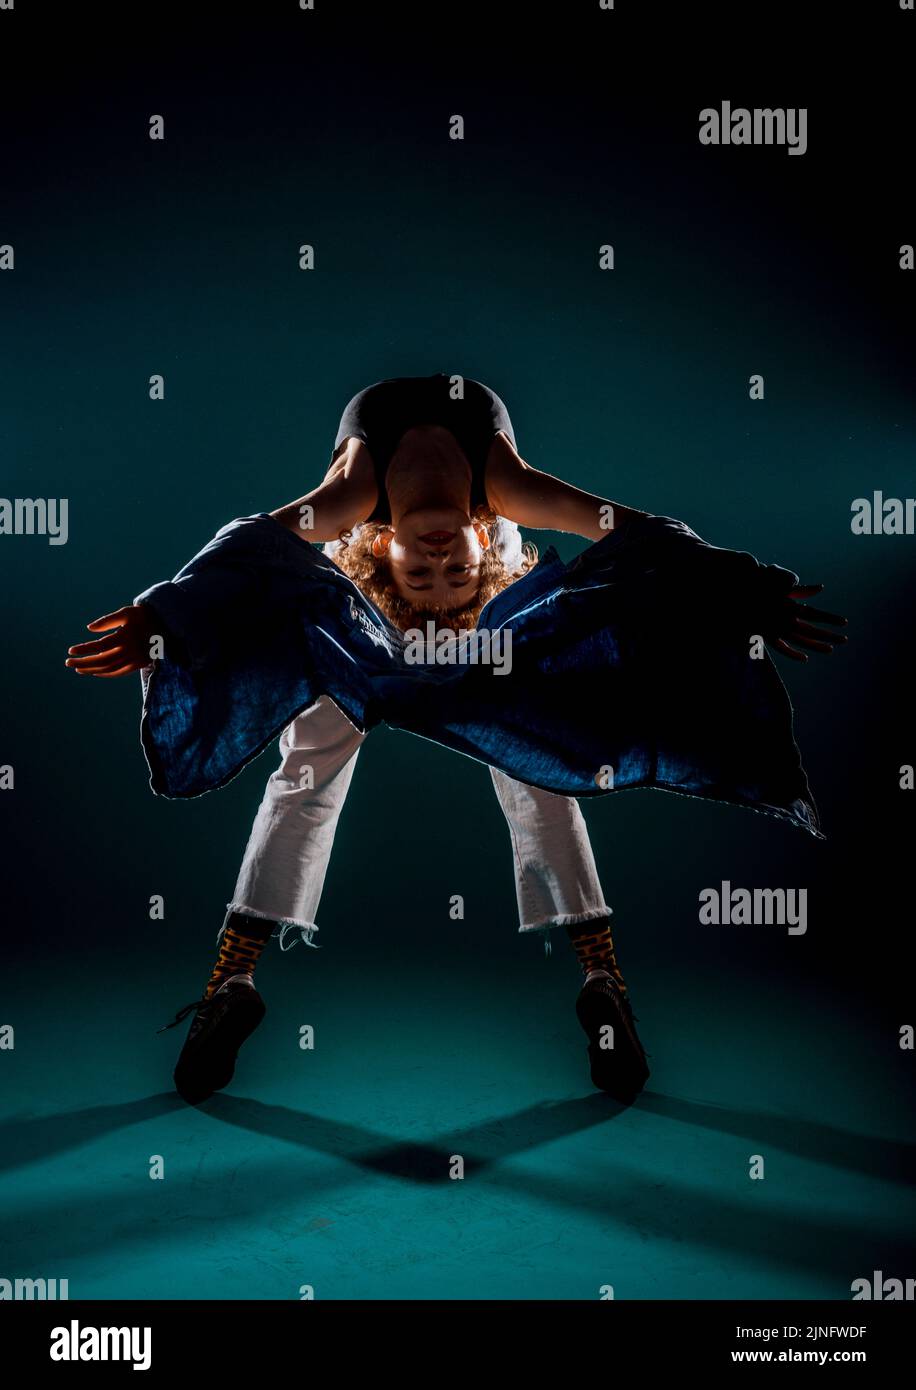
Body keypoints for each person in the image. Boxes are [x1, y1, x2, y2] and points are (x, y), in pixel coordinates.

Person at [65, 372, 846, 1107]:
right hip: (362, 640)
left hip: (430, 642)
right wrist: (741, 580)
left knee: (527, 751)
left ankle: (603, 982)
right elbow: (643, 533)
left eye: (443, 579)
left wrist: (160, 612)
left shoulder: (357, 497)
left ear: (481, 541)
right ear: (386, 554)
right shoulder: (504, 484)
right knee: (309, 767)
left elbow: (247, 543)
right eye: (435, 577)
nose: (439, 565)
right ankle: (231, 985)